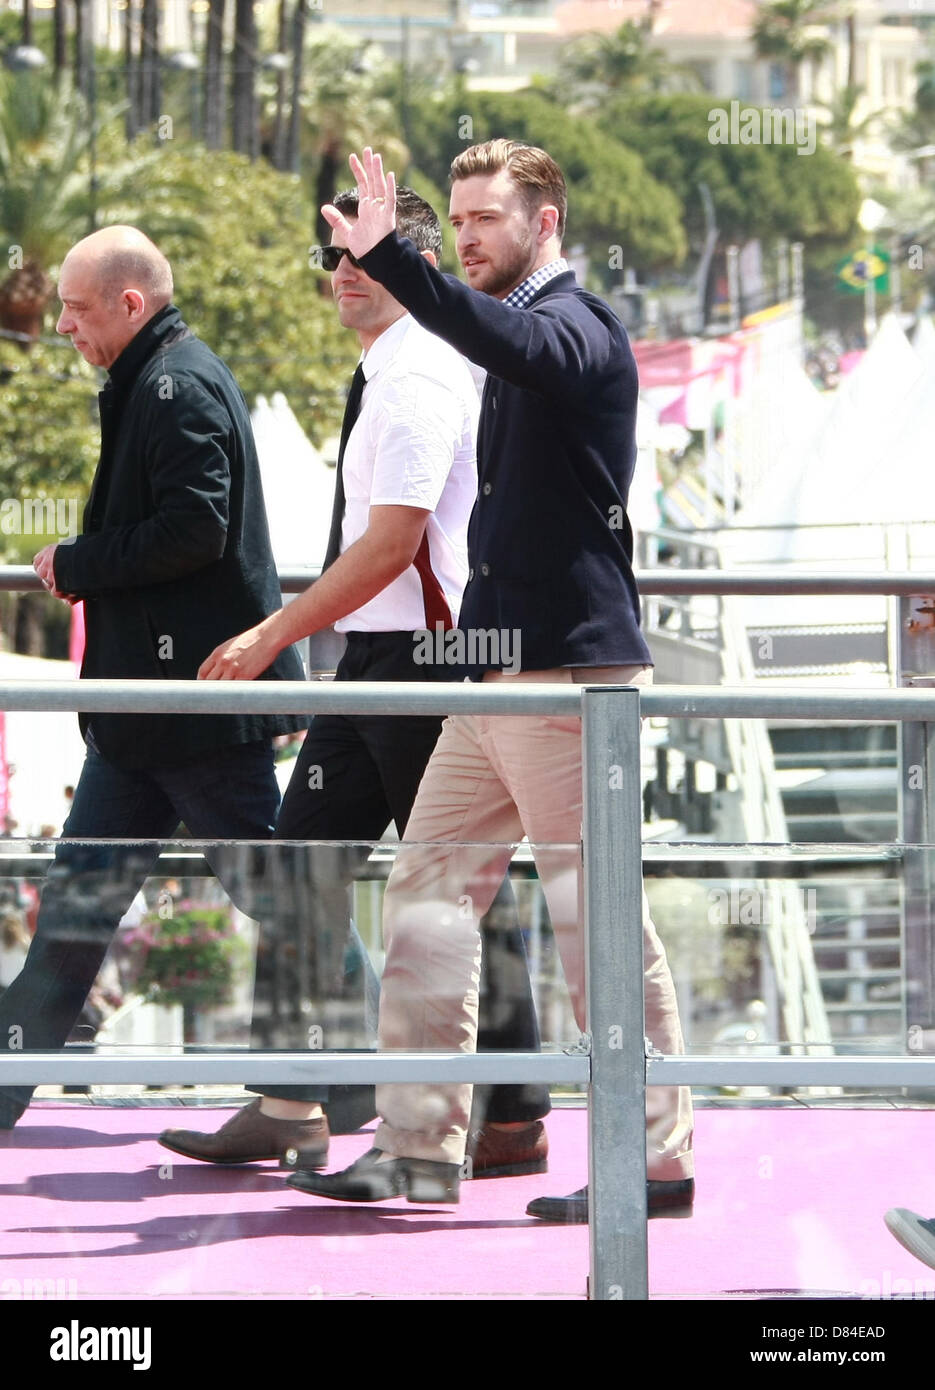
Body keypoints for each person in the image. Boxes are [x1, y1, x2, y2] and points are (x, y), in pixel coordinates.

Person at [287, 141, 695, 1219]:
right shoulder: (508, 342)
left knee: (596, 923)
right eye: (455, 219)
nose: (466, 236)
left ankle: (653, 1164)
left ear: (545, 223)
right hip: (496, 669)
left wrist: (397, 263)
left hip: (569, 679)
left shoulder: (577, 329)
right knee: (424, 894)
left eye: (485, 219)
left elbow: (503, 338)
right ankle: (420, 1147)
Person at [156, 188, 551, 1175]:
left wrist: (271, 631)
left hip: (423, 665)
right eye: (330, 256)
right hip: (377, 665)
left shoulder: (416, 376)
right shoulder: (392, 370)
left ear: (407, 269)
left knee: (450, 894)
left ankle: (510, 1116)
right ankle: (291, 1101)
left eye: (362, 256)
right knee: (300, 879)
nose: (341, 273)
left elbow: (389, 546)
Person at [0, 225, 308, 1130]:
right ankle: (5, 1082)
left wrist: (81, 560)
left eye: (75, 306)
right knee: (77, 902)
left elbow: (195, 529)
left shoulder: (174, 387)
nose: (59, 324)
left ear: (131, 305)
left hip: (193, 713)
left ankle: (351, 1077)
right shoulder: (159, 380)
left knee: (281, 898)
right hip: (148, 715)